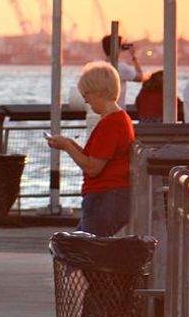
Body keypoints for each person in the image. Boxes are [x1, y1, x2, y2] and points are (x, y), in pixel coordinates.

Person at [47, 62, 134, 237]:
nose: (86, 100)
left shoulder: (111, 124)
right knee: (80, 245)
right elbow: (95, 157)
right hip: (110, 196)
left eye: (87, 95)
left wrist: (67, 147)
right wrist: (70, 144)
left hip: (106, 196)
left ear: (99, 92)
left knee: (87, 247)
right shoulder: (118, 119)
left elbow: (93, 168)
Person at [100, 35, 147, 109]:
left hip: (103, 110)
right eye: (121, 45)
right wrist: (133, 57)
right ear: (117, 48)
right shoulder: (122, 68)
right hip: (118, 110)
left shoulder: (99, 67)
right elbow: (140, 77)